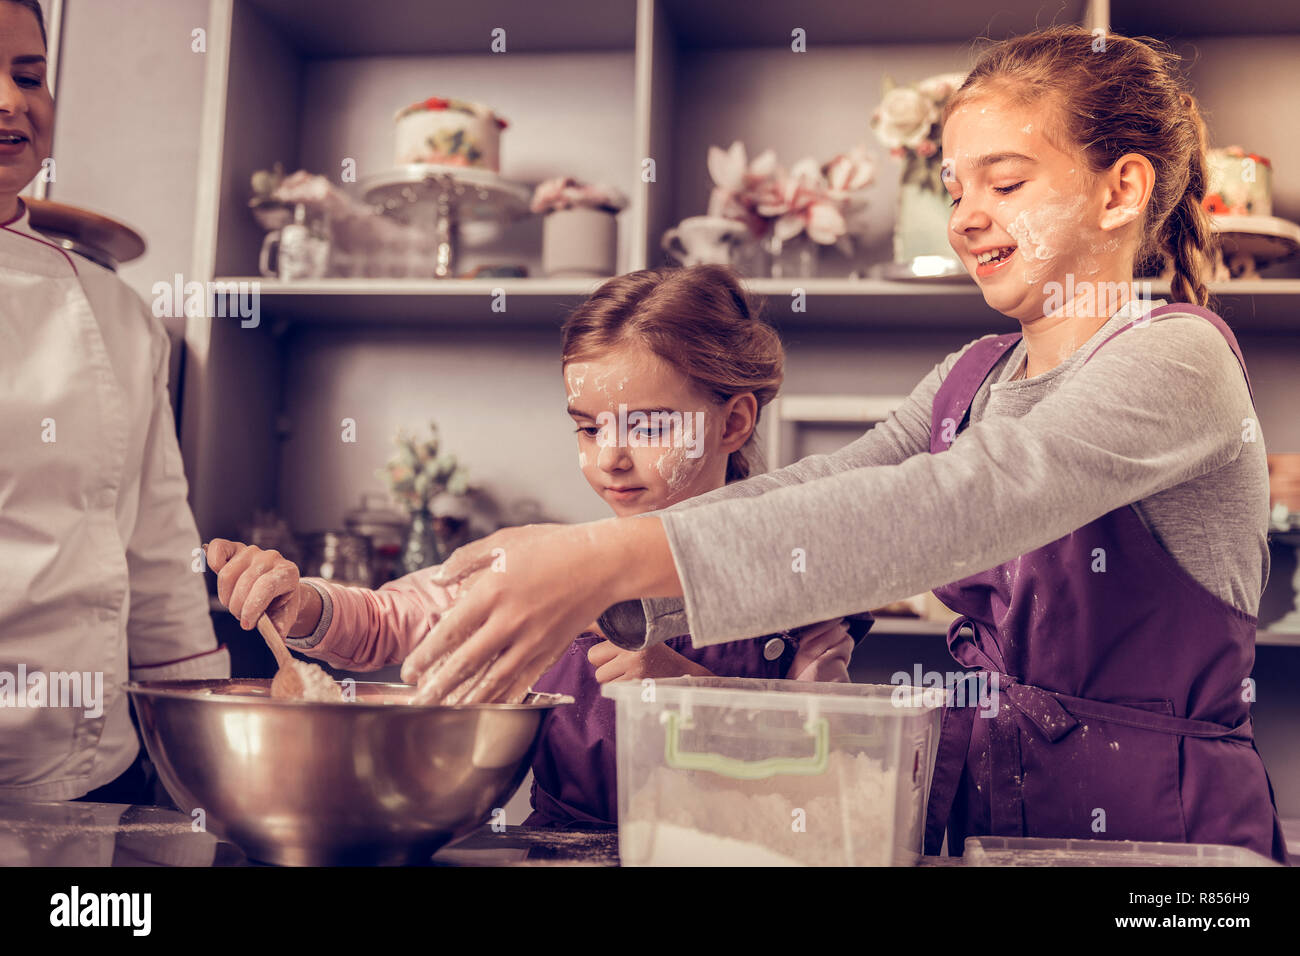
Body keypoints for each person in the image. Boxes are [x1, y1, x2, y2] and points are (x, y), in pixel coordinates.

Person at [400, 27, 1289, 863]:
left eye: (1005, 184)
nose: (966, 218)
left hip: (1170, 841)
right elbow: (818, 491)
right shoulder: (971, 375)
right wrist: (584, 573)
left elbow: (967, 500)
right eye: (954, 188)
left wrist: (606, 558)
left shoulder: (1178, 356)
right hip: (989, 823)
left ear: (1121, 189)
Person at [205, 264, 864, 828]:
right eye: (588, 428)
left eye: (651, 425)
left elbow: (825, 776)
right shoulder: (546, 568)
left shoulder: (798, 584)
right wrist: (300, 606)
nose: (611, 458)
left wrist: (689, 689)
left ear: (735, 421)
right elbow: (387, 621)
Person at [0, 0, 227, 803]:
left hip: (90, 768)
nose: (11, 99)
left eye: (30, 75)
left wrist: (203, 751)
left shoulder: (119, 312)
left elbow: (159, 542)